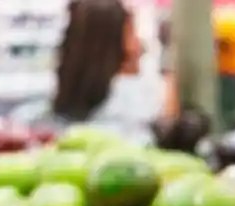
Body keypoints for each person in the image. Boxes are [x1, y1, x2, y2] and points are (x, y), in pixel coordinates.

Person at [14, 0, 169, 145]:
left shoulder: (33, 119)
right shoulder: (140, 104)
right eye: (132, 34)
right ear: (110, 45)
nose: (139, 47)